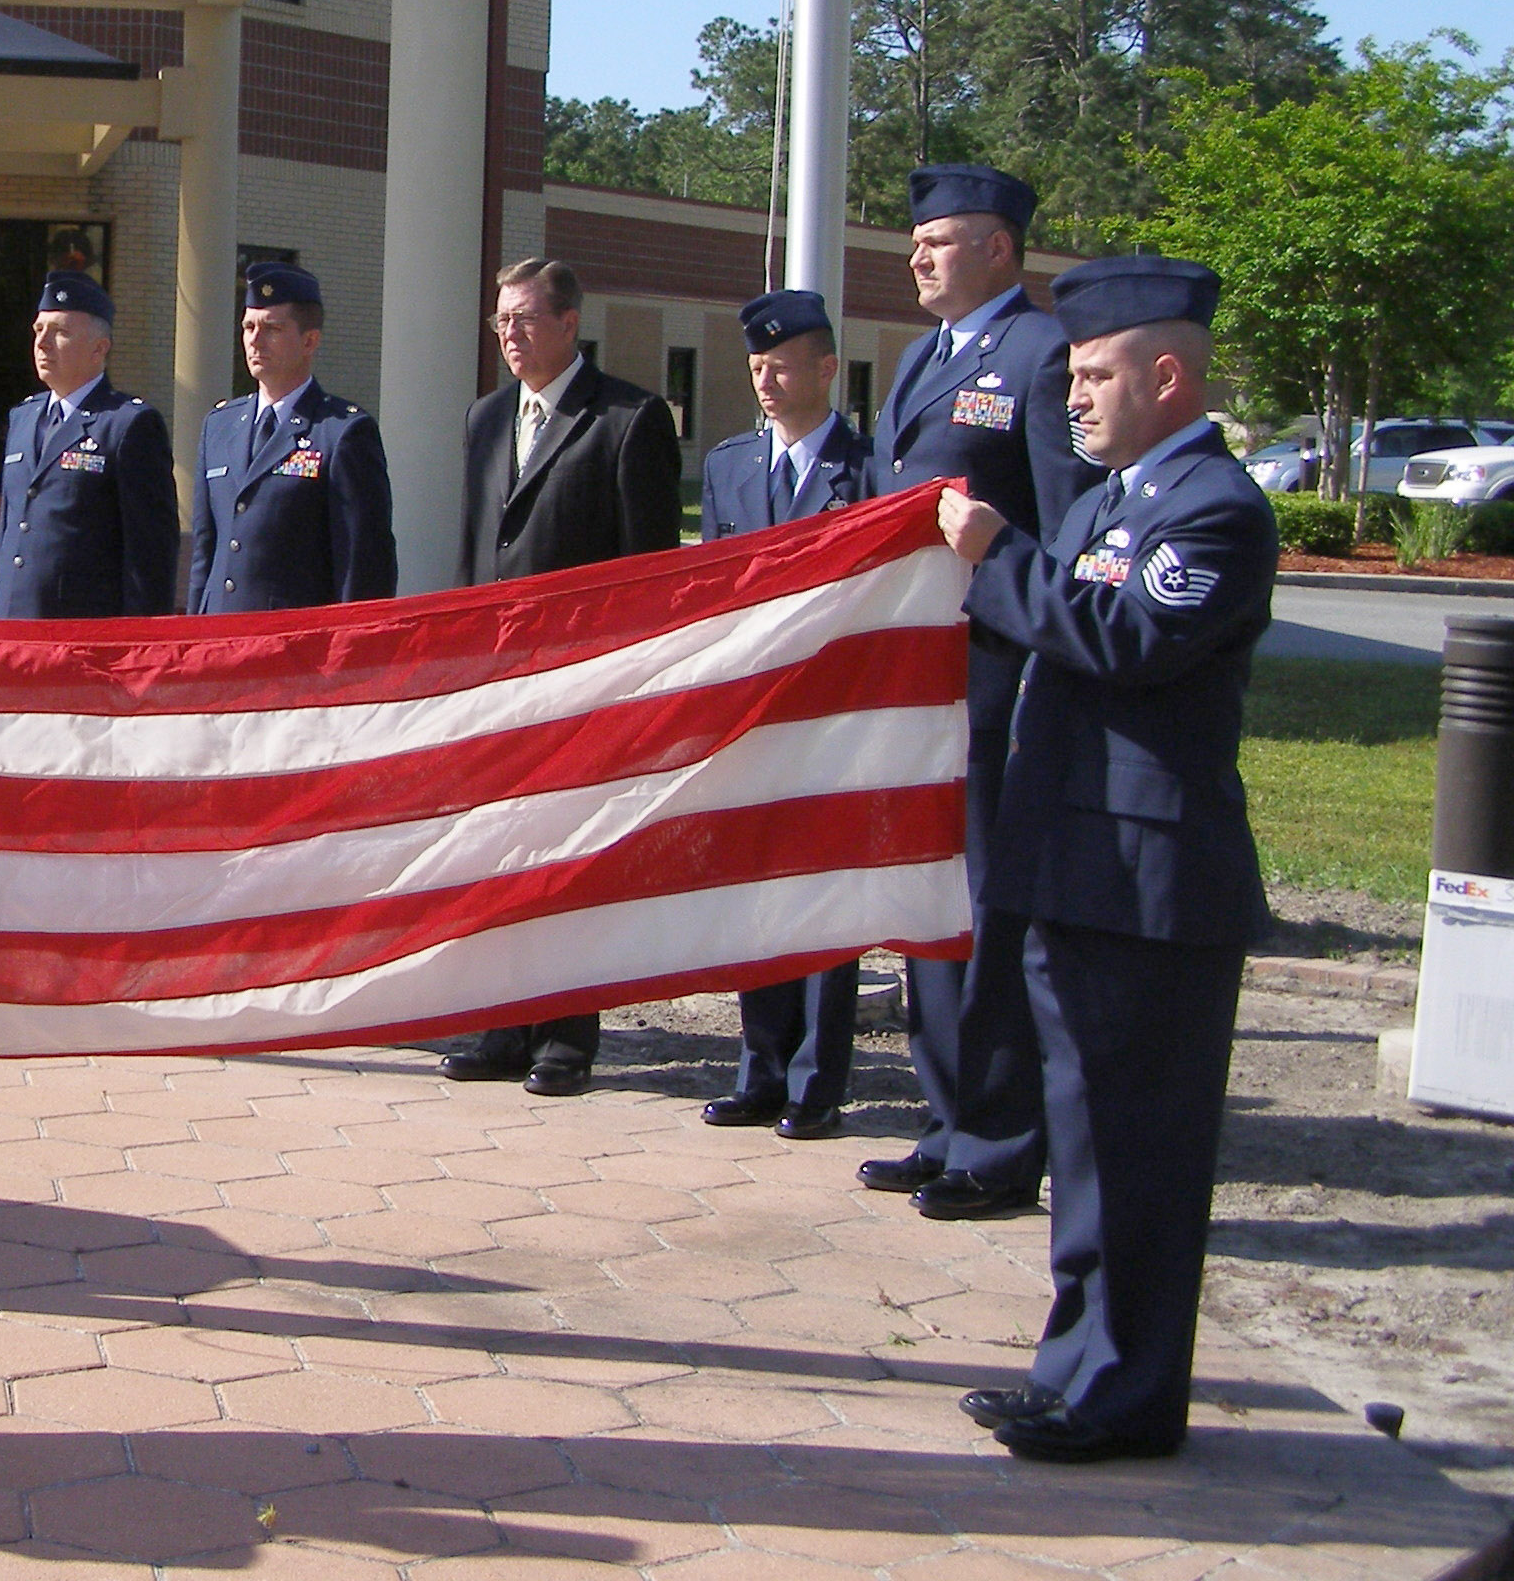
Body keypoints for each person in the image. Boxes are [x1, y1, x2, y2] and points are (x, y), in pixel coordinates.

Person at [935, 256, 1275, 1463]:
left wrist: (990, 555)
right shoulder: (1100, 502)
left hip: (1149, 889)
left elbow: (1119, 640)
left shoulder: (1214, 509)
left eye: (1093, 375)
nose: (1071, 398)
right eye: (1070, 375)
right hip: (1071, 869)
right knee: (1079, 1140)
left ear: (1166, 376)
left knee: (1135, 1152)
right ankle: (1073, 1370)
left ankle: (1125, 1398)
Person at [862, 166, 1103, 1221]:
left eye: (941, 240)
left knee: (985, 909)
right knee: (925, 904)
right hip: (918, 675)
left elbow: (1066, 527)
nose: (918, 256)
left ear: (999, 248)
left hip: (997, 678)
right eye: (914, 240)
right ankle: (946, 1114)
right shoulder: (925, 355)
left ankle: (1000, 1144)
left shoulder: (1041, 355)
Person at [443, 257, 681, 1095]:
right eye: (500, 322)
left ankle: (566, 1036)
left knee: (568, 855)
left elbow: (646, 570)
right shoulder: (486, 417)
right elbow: (478, 545)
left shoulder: (627, 418)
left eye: (526, 320)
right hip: (501, 680)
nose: (510, 336)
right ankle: (504, 1023)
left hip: (584, 682)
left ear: (569, 322)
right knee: (501, 851)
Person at [696, 288, 871, 1141]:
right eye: (755, 366)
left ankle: (815, 1083)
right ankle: (760, 1070)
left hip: (833, 717)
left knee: (823, 901)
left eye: (781, 365)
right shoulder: (730, 466)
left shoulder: (867, 472)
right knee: (754, 894)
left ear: (827, 369)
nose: (765, 380)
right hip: (753, 712)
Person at [185, 262, 395, 613]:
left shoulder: (340, 431)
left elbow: (363, 563)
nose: (254, 339)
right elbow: (205, 552)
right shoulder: (219, 425)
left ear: (309, 341)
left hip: (293, 646)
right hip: (218, 639)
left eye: (273, 328)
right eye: (249, 326)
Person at [0, 271, 178, 619]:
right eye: (38, 330)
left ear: (98, 349)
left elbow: (150, 553)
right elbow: (11, 529)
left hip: (80, 631)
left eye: (60, 332)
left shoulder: (127, 424)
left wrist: (137, 643)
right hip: (14, 624)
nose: (42, 343)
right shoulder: (23, 417)